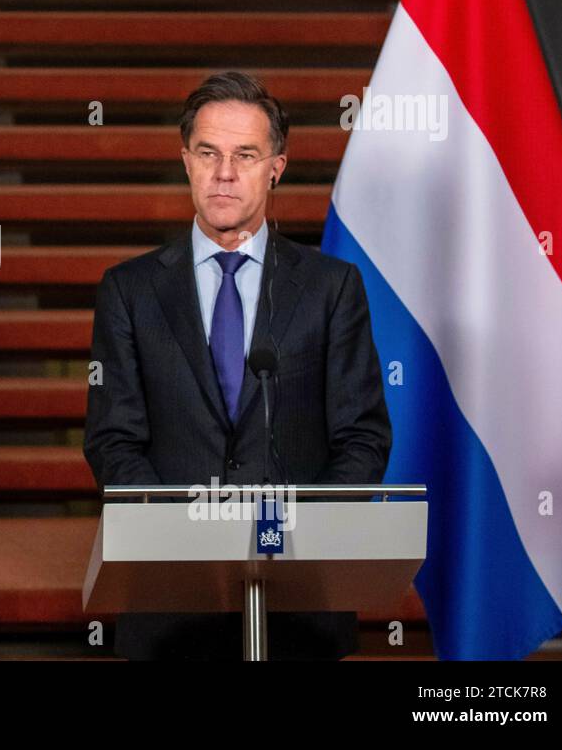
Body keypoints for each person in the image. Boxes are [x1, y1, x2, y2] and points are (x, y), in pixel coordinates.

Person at [84, 71, 392, 660]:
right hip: (170, 601)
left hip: (299, 603)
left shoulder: (332, 288)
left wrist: (302, 541)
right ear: (185, 161)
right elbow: (112, 441)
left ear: (276, 167)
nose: (224, 172)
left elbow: (362, 438)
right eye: (208, 153)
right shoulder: (128, 291)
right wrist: (185, 541)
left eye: (245, 155)